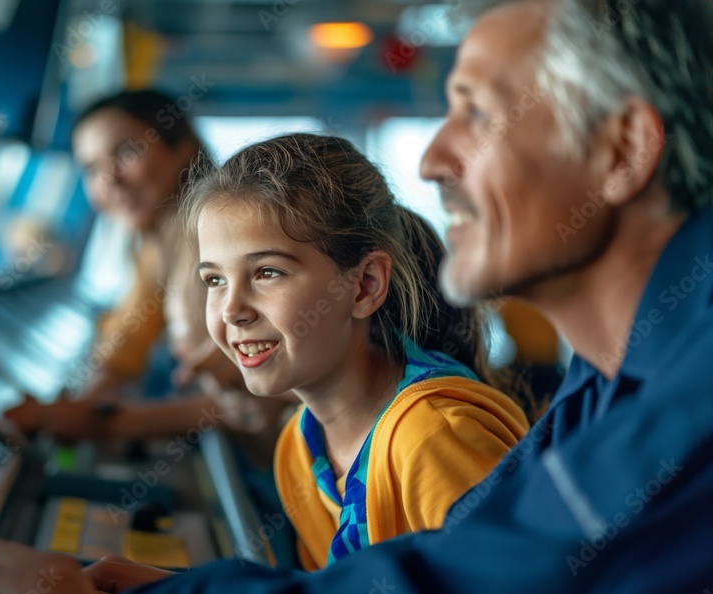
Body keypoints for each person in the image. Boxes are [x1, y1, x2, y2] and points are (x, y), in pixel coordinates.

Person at [0, 1, 713, 594]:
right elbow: (444, 572)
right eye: (213, 281)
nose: (429, 160)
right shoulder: (611, 380)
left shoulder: (685, 404)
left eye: (480, 115)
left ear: (621, 151)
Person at [183, 133, 527, 569]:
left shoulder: (433, 438)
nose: (232, 310)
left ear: (365, 286)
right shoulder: (299, 448)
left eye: (267, 272)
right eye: (214, 280)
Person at [2, 90, 288, 454]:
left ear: (182, 147)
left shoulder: (217, 241)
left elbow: (263, 400)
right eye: (90, 168)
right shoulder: (156, 242)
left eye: (126, 153)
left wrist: (104, 423)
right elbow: (128, 338)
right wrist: (89, 397)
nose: (109, 180)